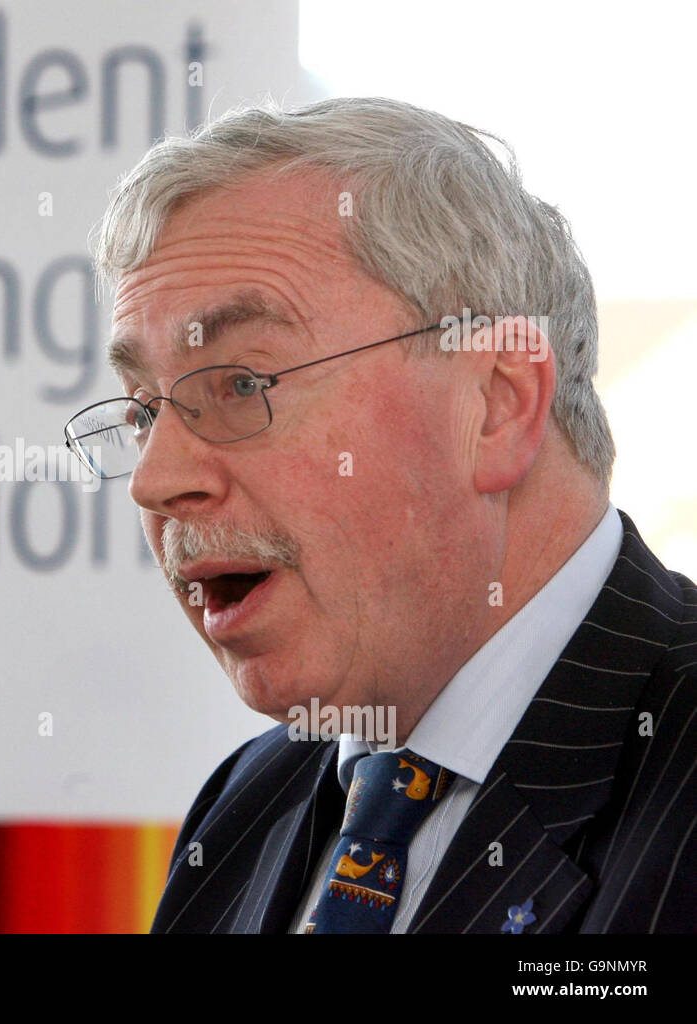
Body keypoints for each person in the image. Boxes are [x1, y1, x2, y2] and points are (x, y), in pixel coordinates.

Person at [65, 97, 697, 933]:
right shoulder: (243, 807)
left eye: (243, 384)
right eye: (146, 412)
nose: (155, 479)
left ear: (497, 405)